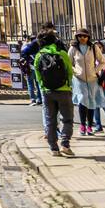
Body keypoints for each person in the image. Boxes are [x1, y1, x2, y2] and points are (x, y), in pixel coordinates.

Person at [31, 24, 75, 157]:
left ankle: (53, 148)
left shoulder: (39, 56)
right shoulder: (62, 54)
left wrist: (43, 88)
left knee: (50, 120)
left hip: (47, 91)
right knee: (67, 119)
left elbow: (38, 76)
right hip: (64, 90)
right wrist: (68, 85)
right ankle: (65, 144)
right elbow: (69, 72)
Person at [69, 28, 105, 136]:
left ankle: (90, 126)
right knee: (83, 99)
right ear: (77, 37)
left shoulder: (94, 47)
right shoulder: (73, 48)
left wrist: (95, 70)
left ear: (88, 37)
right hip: (79, 79)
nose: (82, 38)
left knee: (91, 101)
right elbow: (68, 63)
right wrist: (75, 71)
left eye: (85, 36)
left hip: (92, 79)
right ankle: (82, 125)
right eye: (80, 36)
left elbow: (103, 62)